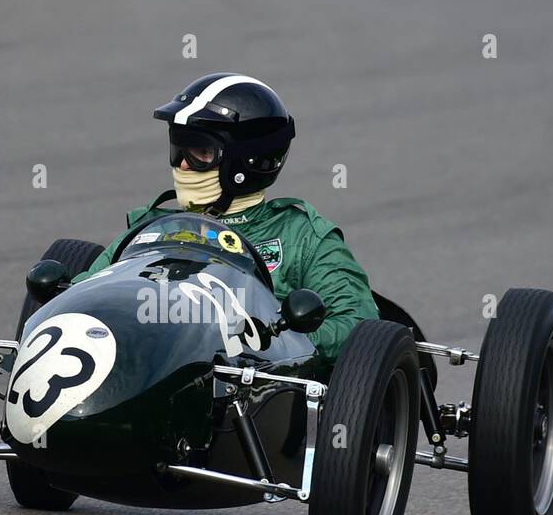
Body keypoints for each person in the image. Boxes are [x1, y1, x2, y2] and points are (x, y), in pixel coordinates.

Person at [73, 73, 381, 364]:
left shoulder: (300, 236)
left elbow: (359, 324)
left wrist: (276, 340)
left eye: (200, 153)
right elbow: (83, 297)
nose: (183, 165)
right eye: (178, 149)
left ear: (245, 161)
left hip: (249, 396)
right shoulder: (150, 228)